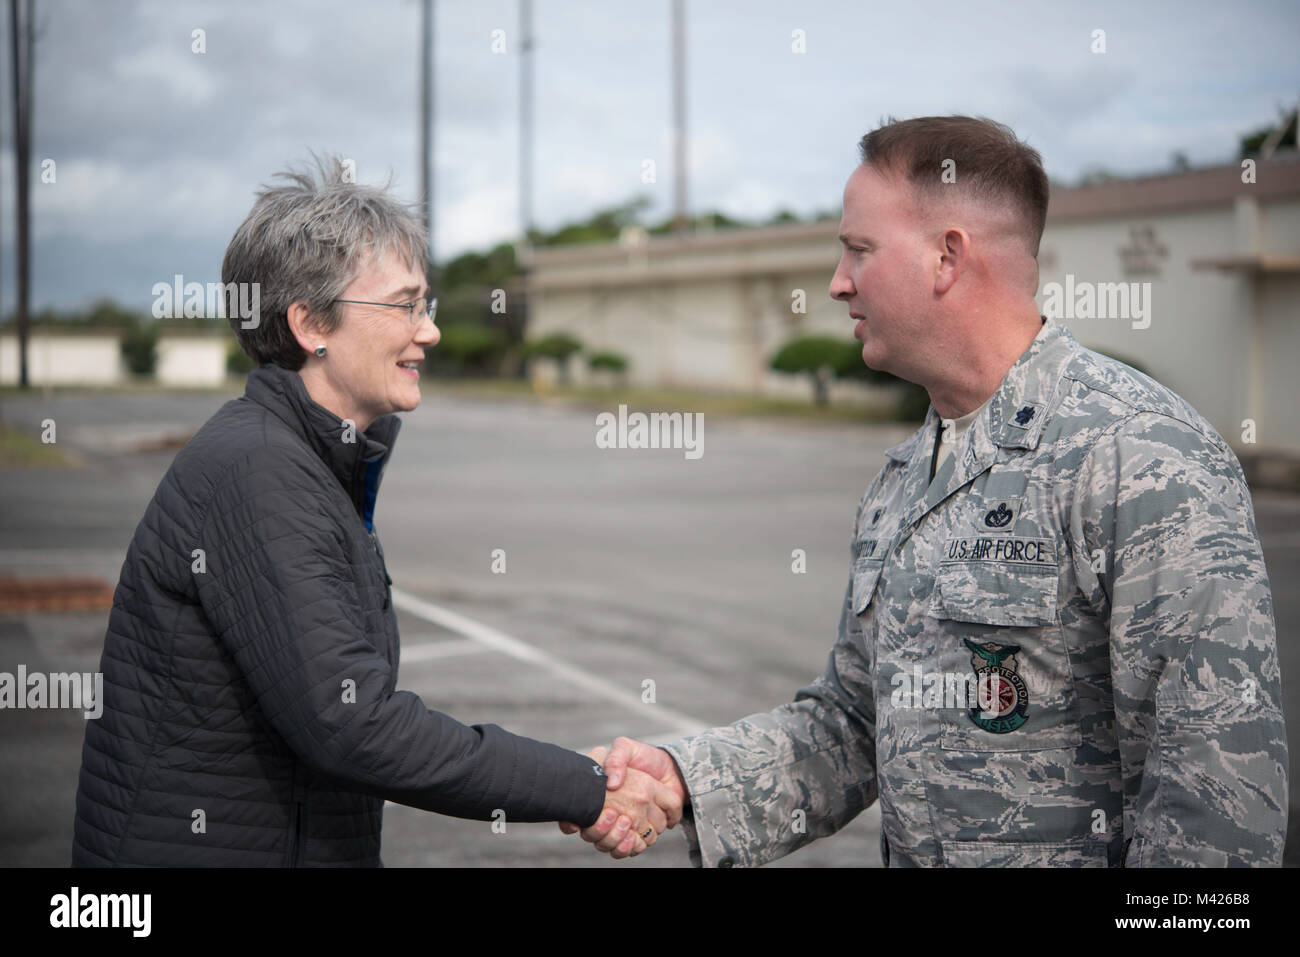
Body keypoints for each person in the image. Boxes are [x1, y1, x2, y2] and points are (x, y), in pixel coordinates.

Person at [563, 116, 1288, 866]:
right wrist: (683, 779)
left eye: (859, 250)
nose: (838, 281)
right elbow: (855, 723)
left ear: (946, 257)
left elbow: (1214, 802)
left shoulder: (1138, 455)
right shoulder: (904, 478)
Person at [72, 156, 680, 866]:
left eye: (426, 305)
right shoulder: (259, 470)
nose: (430, 331)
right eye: (404, 304)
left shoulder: (311, 460)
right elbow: (351, 722)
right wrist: (583, 786)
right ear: (310, 324)